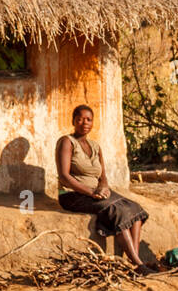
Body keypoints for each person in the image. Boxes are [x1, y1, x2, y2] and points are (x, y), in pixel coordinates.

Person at [55, 105, 155, 273]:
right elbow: (64, 176)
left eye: (88, 119)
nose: (84, 123)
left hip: (95, 192)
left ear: (92, 122)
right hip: (72, 195)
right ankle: (139, 265)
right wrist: (91, 192)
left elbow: (103, 176)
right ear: (73, 121)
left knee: (134, 208)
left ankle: (133, 262)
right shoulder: (67, 142)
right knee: (116, 211)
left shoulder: (95, 146)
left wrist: (104, 187)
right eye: (80, 119)